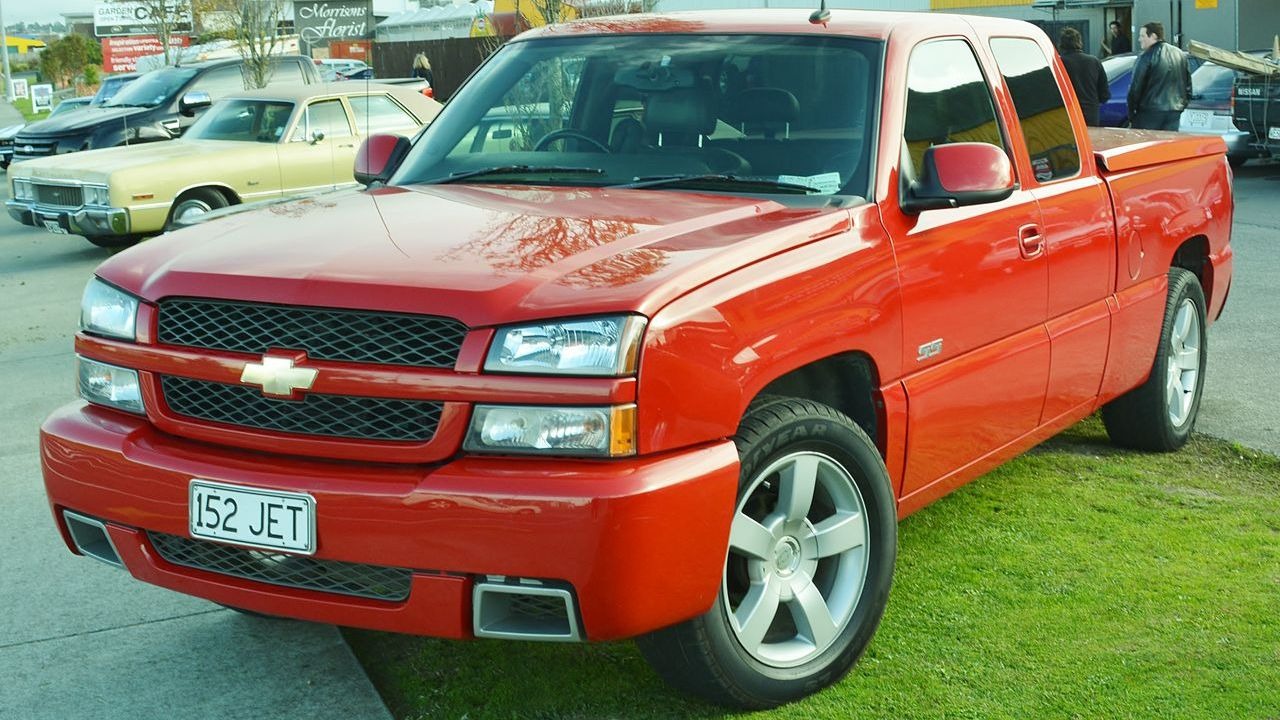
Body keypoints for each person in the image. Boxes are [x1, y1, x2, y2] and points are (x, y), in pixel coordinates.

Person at [1126, 22, 1191, 130]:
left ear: (1153, 36)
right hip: (1174, 111)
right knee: (1168, 144)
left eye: (1142, 36)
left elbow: (1135, 87)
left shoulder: (1146, 56)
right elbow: (1188, 85)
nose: (1139, 39)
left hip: (1149, 112)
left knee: (1148, 144)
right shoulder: (1180, 54)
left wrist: (1131, 113)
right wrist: (1182, 104)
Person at [1059, 27, 1110, 127]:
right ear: (1079, 42)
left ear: (1061, 44)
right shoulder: (1094, 62)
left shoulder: (1058, 64)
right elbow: (1105, 95)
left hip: (1067, 114)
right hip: (1091, 114)